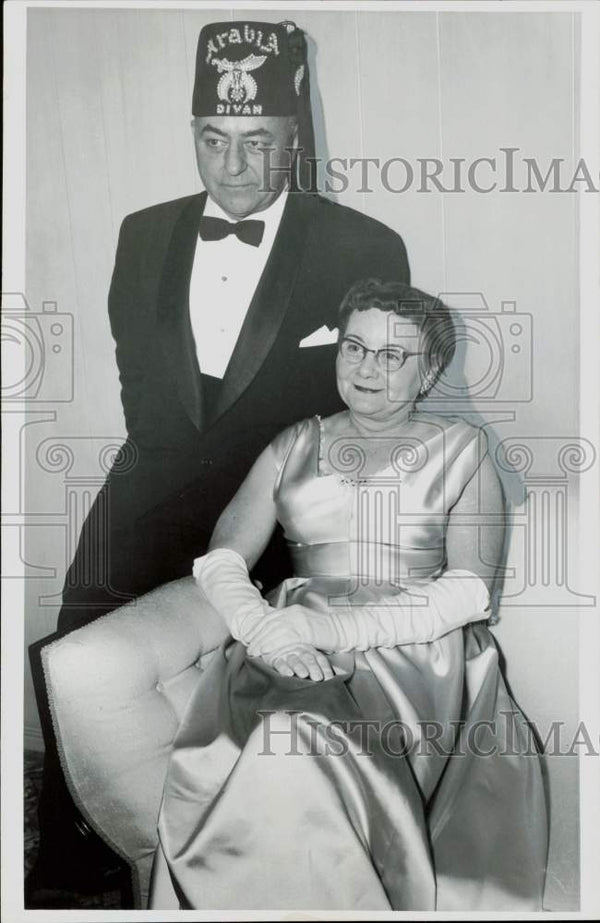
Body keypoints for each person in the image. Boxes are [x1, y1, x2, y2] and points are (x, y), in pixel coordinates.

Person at [29, 21, 410, 904]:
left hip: (278, 512)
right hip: (146, 492)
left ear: (295, 140)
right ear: (193, 133)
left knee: (255, 702)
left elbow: (369, 405)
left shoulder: (364, 245)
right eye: (213, 140)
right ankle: (73, 878)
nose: (233, 166)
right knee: (68, 659)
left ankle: (232, 878)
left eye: (258, 143)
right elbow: (138, 378)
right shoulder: (142, 233)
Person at [150, 279, 548, 911]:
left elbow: (470, 591)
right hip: (285, 642)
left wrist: (327, 632)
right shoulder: (292, 443)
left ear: (430, 371)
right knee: (285, 730)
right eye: (355, 347)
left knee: (304, 737)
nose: (367, 367)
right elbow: (223, 559)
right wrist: (264, 629)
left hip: (416, 652)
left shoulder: (463, 449)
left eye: (393, 356)